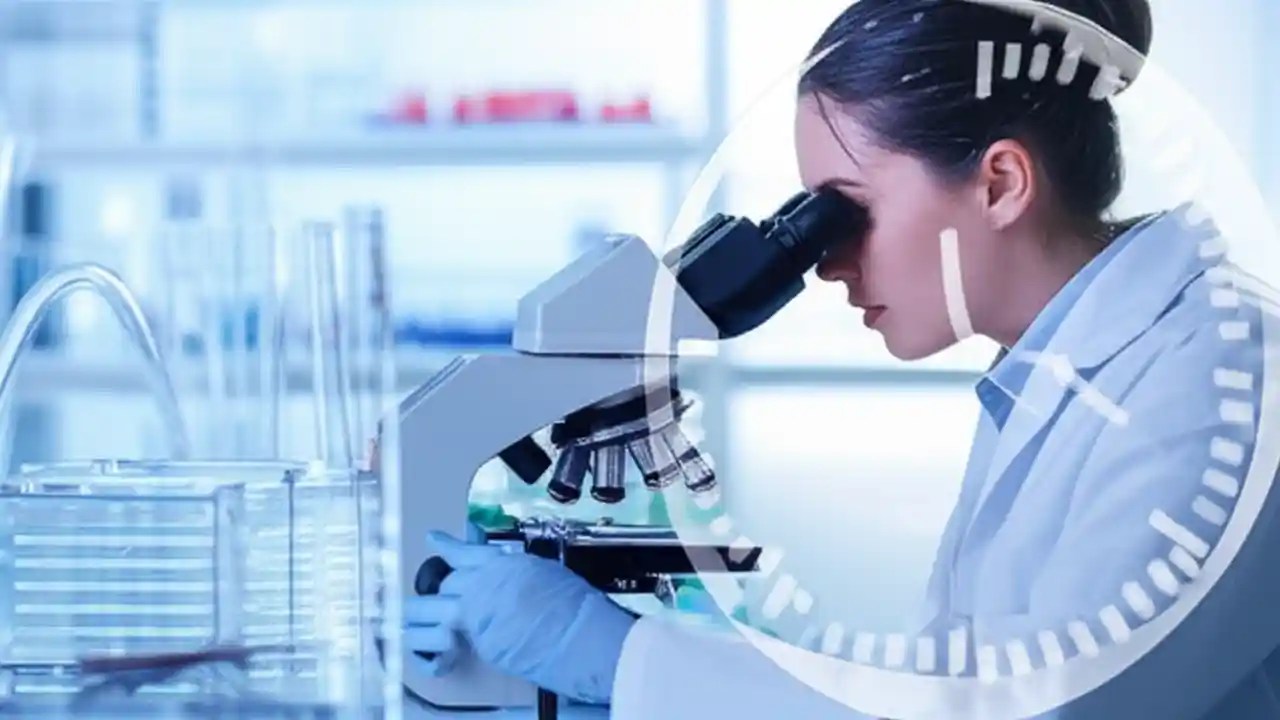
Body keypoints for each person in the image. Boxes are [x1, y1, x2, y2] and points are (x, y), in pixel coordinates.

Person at [405, 1, 1280, 717]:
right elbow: (951, 687)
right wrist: (642, 685)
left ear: (1002, 183)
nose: (822, 260)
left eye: (845, 208)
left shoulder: (1219, 379)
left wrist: (620, 661)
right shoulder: (1063, 369)